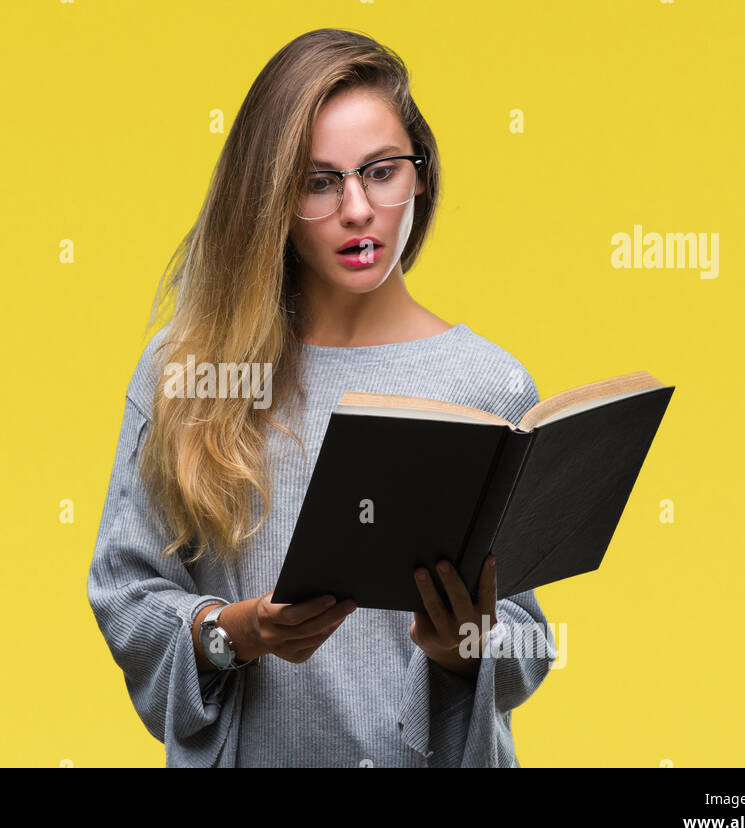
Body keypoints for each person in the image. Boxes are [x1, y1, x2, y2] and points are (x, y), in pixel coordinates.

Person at [86, 28, 555, 767]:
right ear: (273, 196)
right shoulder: (191, 370)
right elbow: (125, 593)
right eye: (319, 181)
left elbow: (527, 640)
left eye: (380, 171)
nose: (358, 208)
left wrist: (462, 647)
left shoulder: (489, 381)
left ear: (421, 175)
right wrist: (240, 629)